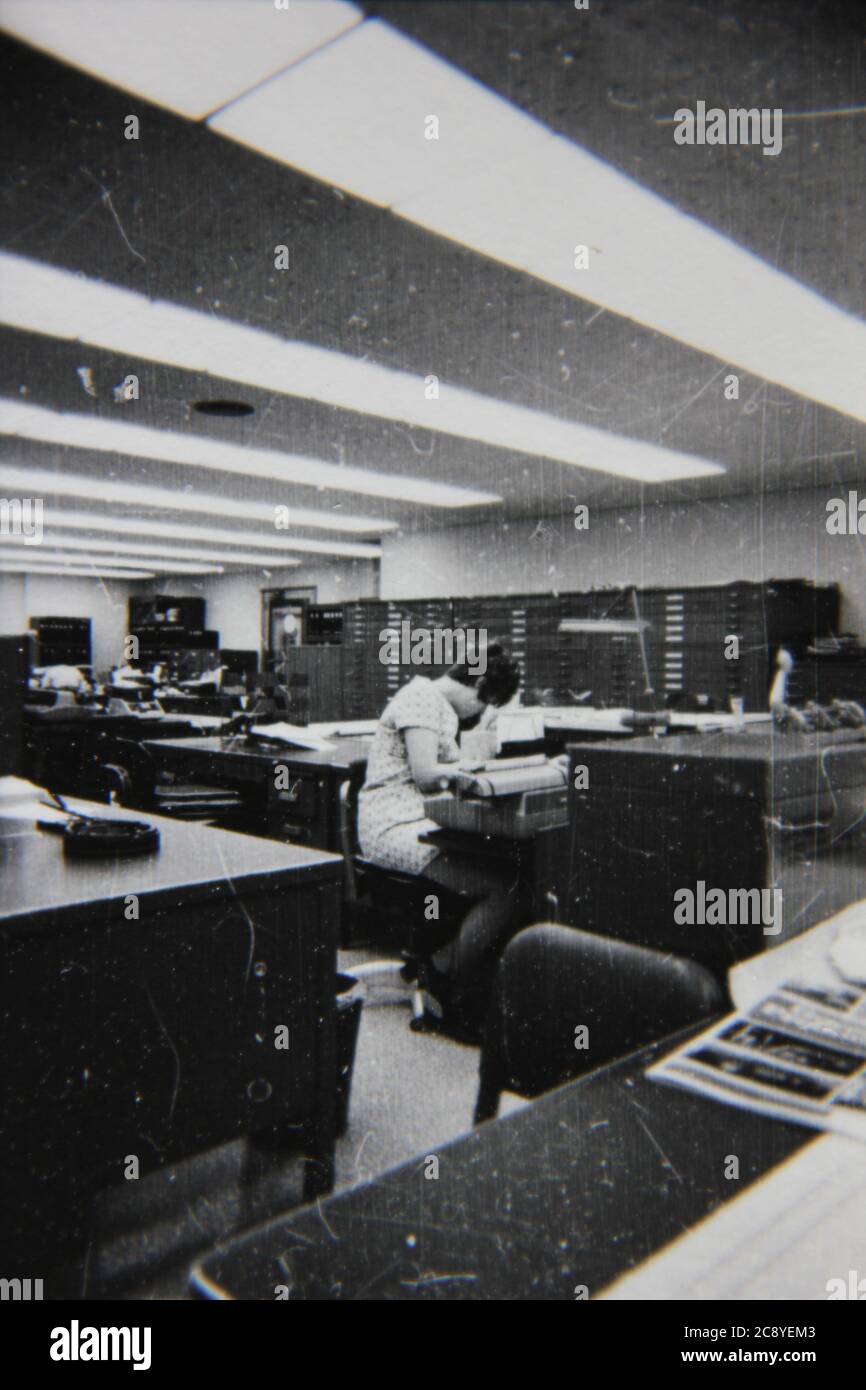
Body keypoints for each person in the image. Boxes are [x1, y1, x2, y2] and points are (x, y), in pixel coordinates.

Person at [358, 644, 522, 1022]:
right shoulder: (420, 698)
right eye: (484, 706)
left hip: (420, 822)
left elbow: (444, 768)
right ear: (478, 683)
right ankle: (444, 973)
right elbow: (426, 775)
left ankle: (451, 968)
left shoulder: (440, 709)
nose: (479, 716)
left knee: (500, 873)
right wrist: (462, 772)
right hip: (393, 827)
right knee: (503, 889)